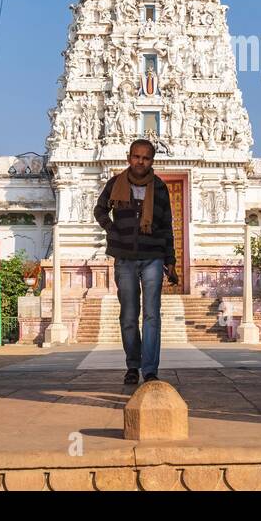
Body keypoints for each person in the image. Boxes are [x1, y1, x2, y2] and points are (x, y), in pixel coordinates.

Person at [94, 139, 177, 385]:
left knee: (152, 315)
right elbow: (100, 210)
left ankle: (150, 369)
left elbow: (167, 226)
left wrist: (170, 260)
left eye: (146, 158)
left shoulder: (160, 188)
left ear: (152, 160)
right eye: (136, 156)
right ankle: (133, 364)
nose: (141, 162)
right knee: (129, 315)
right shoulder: (114, 184)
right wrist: (112, 229)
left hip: (152, 257)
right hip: (125, 258)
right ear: (129, 157)